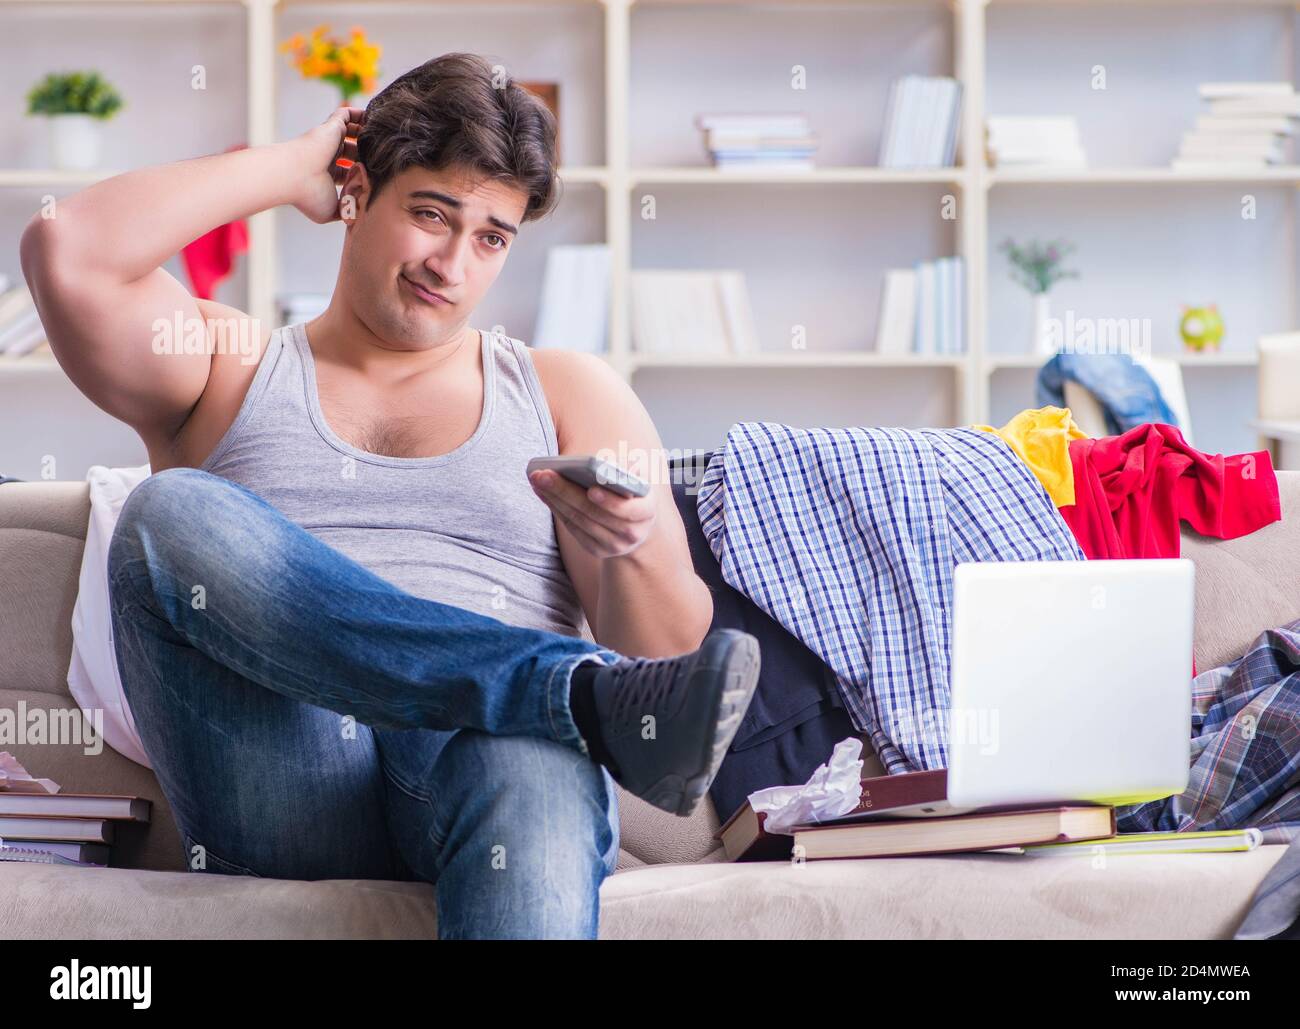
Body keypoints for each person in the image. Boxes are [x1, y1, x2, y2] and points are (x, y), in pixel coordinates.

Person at [19, 52, 761, 939]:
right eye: (431, 213)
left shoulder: (566, 390)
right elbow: (65, 248)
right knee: (167, 514)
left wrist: (633, 544)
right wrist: (292, 165)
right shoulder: (227, 364)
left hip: (488, 770)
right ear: (356, 193)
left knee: (533, 757)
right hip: (286, 778)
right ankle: (556, 688)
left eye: (491, 237)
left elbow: (670, 664)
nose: (452, 263)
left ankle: (544, 701)